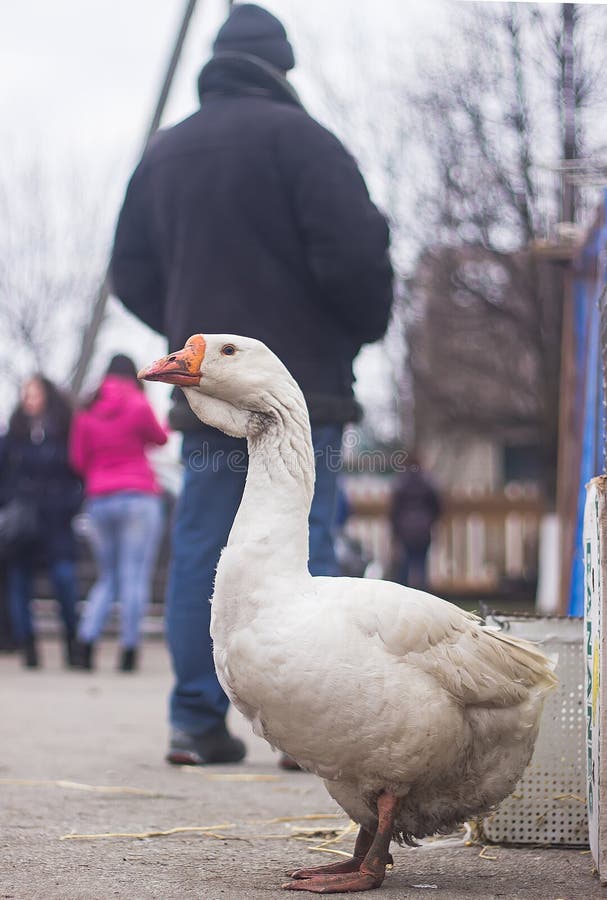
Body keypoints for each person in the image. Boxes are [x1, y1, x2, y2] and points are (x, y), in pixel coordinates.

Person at [110, 4, 393, 764]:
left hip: (208, 401)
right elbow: (357, 260)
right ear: (282, 66)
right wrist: (351, 330)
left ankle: (194, 722)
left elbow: (128, 272)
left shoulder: (164, 154)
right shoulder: (306, 143)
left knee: (204, 545)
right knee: (303, 538)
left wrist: (194, 339)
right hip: (303, 394)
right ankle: (311, 732)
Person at [69, 355, 168, 672]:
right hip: (139, 497)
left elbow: (78, 460)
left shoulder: (87, 409)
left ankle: (85, 644)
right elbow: (161, 438)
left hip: (99, 500)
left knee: (107, 576)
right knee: (134, 575)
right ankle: (128, 651)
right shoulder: (138, 404)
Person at [3, 376, 82, 668]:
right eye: (26, 393)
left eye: (35, 393)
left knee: (65, 580)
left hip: (56, 521)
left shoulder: (64, 432)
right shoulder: (13, 436)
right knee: (19, 584)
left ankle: (72, 643)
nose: (30, 399)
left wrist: (70, 504)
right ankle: (28, 649)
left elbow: (78, 473)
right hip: (21, 525)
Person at [390, 459, 442, 591]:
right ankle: (423, 592)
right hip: (423, 529)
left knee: (405, 565)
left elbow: (394, 510)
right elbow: (436, 506)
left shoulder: (400, 483)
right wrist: (430, 520)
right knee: (422, 564)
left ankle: (402, 592)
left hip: (405, 530)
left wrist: (395, 531)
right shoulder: (427, 482)